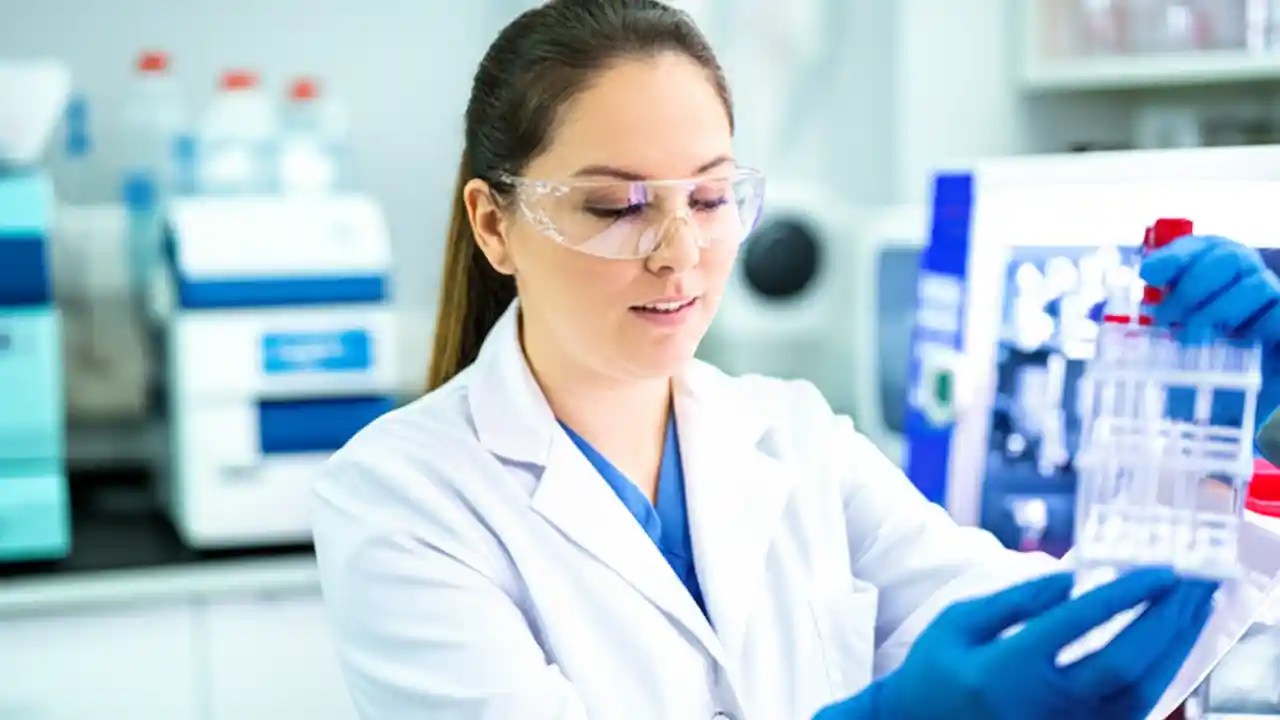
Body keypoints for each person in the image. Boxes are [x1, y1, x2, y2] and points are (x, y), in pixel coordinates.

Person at [311, 1, 1280, 718]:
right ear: (494, 223)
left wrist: (1206, 445)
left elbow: (1080, 647)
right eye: (614, 206)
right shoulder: (401, 497)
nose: (678, 253)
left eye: (708, 198)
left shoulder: (793, 436)